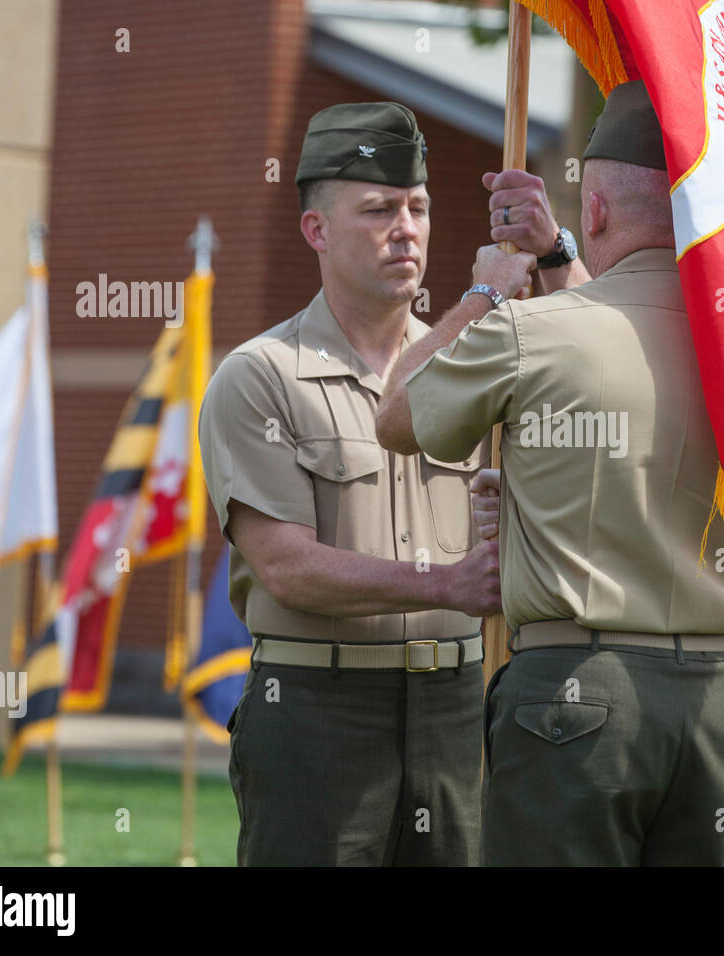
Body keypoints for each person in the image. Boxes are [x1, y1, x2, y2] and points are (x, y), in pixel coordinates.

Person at [375, 80, 724, 866]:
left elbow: (398, 416)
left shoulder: (531, 330)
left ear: (598, 212)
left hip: (579, 696)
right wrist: (556, 259)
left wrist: (485, 292)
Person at [198, 102, 500, 866]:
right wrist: (448, 582)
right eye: (378, 209)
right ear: (316, 230)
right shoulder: (260, 377)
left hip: (457, 712)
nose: (407, 227)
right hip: (318, 714)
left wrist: (556, 251)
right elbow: (287, 567)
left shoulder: (476, 370)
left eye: (419, 207)